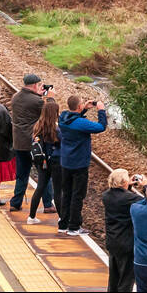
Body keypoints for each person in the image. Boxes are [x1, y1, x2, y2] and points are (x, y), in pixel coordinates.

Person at [56, 96, 107, 235]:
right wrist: (101, 110)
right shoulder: (81, 123)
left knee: (66, 193)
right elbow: (101, 127)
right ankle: (74, 227)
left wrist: (84, 109)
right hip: (79, 163)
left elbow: (74, 117)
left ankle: (63, 224)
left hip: (66, 161)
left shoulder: (63, 117)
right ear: (78, 107)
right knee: (77, 195)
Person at [8, 74, 56, 214]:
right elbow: (50, 114)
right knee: (44, 174)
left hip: (19, 142)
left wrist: (40, 96)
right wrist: (50, 97)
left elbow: (30, 108)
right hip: (35, 144)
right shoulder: (37, 101)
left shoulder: (16, 97)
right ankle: (48, 204)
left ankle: (16, 203)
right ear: (35, 85)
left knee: (22, 174)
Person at [102, 169, 145, 292]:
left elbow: (123, 197)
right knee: (126, 279)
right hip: (127, 243)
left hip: (112, 242)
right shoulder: (129, 198)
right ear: (124, 182)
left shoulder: (106, 196)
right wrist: (144, 186)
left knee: (114, 277)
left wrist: (128, 187)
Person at [26, 98, 63, 224]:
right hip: (55, 162)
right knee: (58, 190)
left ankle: (31, 217)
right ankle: (62, 218)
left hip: (41, 162)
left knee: (40, 187)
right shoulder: (56, 129)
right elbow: (62, 143)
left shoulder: (38, 126)